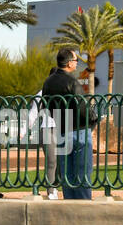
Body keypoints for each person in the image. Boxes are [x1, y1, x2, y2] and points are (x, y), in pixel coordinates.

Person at [41, 48, 93, 200]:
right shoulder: (72, 81)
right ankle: (83, 208)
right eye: (76, 61)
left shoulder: (48, 82)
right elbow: (83, 107)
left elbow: (46, 106)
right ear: (69, 63)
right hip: (79, 130)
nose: (77, 64)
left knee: (67, 174)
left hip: (61, 130)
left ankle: (70, 207)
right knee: (82, 173)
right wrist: (93, 119)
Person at [27, 88, 59, 199]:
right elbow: (33, 113)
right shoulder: (42, 93)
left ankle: (60, 188)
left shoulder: (66, 88)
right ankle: (51, 190)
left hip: (67, 128)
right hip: (48, 128)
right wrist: (24, 130)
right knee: (52, 161)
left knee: (62, 162)